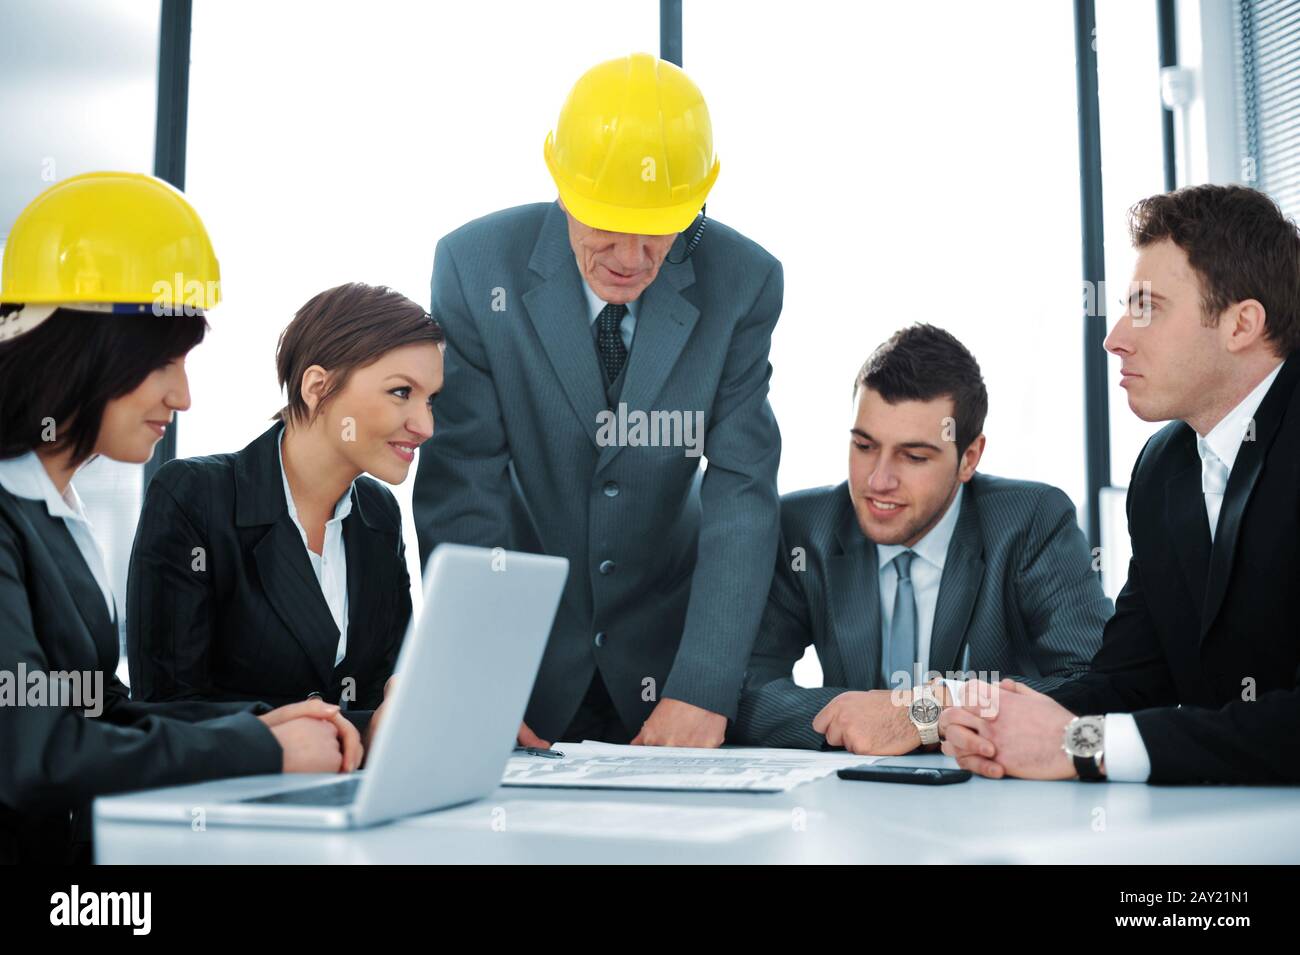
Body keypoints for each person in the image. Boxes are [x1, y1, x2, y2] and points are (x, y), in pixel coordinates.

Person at [413, 54, 783, 748]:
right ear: (562, 188)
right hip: (525, 666)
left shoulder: (744, 282)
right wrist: (481, 679)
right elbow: (464, 485)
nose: (631, 258)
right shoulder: (475, 266)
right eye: (608, 225)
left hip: (671, 668)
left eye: (659, 228)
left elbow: (742, 491)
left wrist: (702, 686)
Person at [0, 172, 360, 864]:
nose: (183, 395)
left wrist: (265, 724)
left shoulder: (50, 508)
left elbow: (101, 710)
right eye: (165, 362)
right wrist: (259, 748)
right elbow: (33, 752)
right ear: (87, 349)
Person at [941, 184, 1300, 784]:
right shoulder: (1164, 466)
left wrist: (1080, 745)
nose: (1114, 339)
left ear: (1242, 324)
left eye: (1147, 308)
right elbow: (1130, 678)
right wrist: (979, 720)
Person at [732, 325, 1109, 752]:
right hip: (850, 785)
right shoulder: (804, 529)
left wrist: (925, 714)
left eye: (913, 456)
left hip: (985, 784)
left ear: (968, 458)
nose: (878, 480)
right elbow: (741, 690)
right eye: (864, 446)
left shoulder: (1031, 522)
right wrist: (857, 721)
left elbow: (1097, 685)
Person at [127, 282, 442, 746]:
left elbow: (383, 693)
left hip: (355, 786)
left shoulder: (379, 514)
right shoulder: (195, 496)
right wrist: (349, 732)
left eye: (430, 400)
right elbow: (167, 708)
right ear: (317, 387)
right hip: (233, 789)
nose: (425, 426)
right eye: (401, 392)